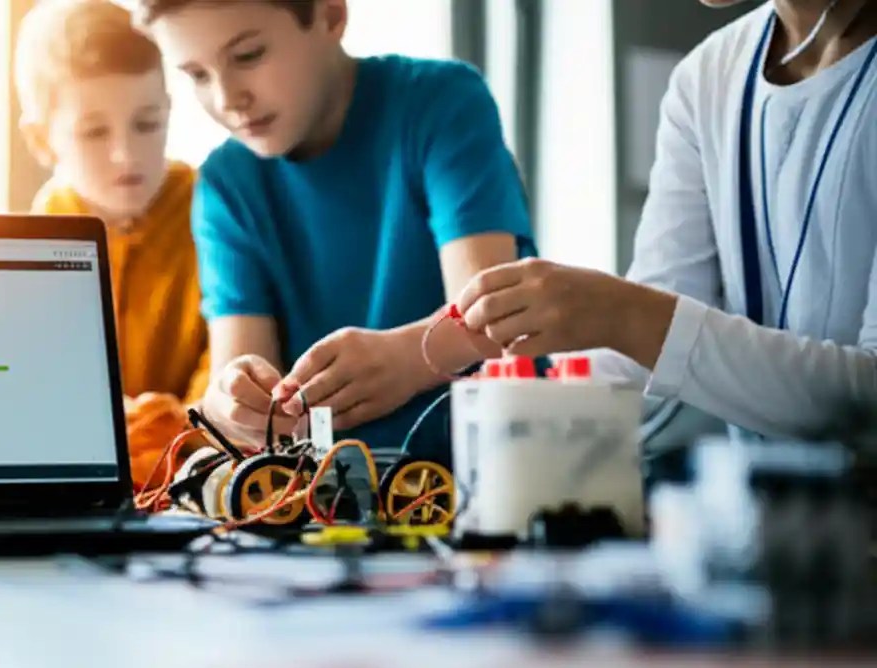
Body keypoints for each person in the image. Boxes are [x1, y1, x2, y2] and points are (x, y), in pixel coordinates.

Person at [457, 0, 877, 440]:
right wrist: (481, 394)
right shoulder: (707, 76)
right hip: (760, 505)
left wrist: (621, 314)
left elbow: (869, 399)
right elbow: (648, 358)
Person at [130, 0, 533, 450]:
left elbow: (493, 318)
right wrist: (234, 404)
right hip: (325, 499)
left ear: (331, 16)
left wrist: (409, 357)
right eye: (197, 75)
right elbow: (240, 366)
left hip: (493, 466)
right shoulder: (227, 183)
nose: (227, 98)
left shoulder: (440, 103)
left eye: (248, 56)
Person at [14, 0, 210, 486]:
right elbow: (49, 390)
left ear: (168, 111)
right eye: (94, 132)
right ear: (42, 140)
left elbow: (220, 386)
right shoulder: (47, 225)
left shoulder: (211, 210)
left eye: (146, 124)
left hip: (193, 471)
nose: (126, 154)